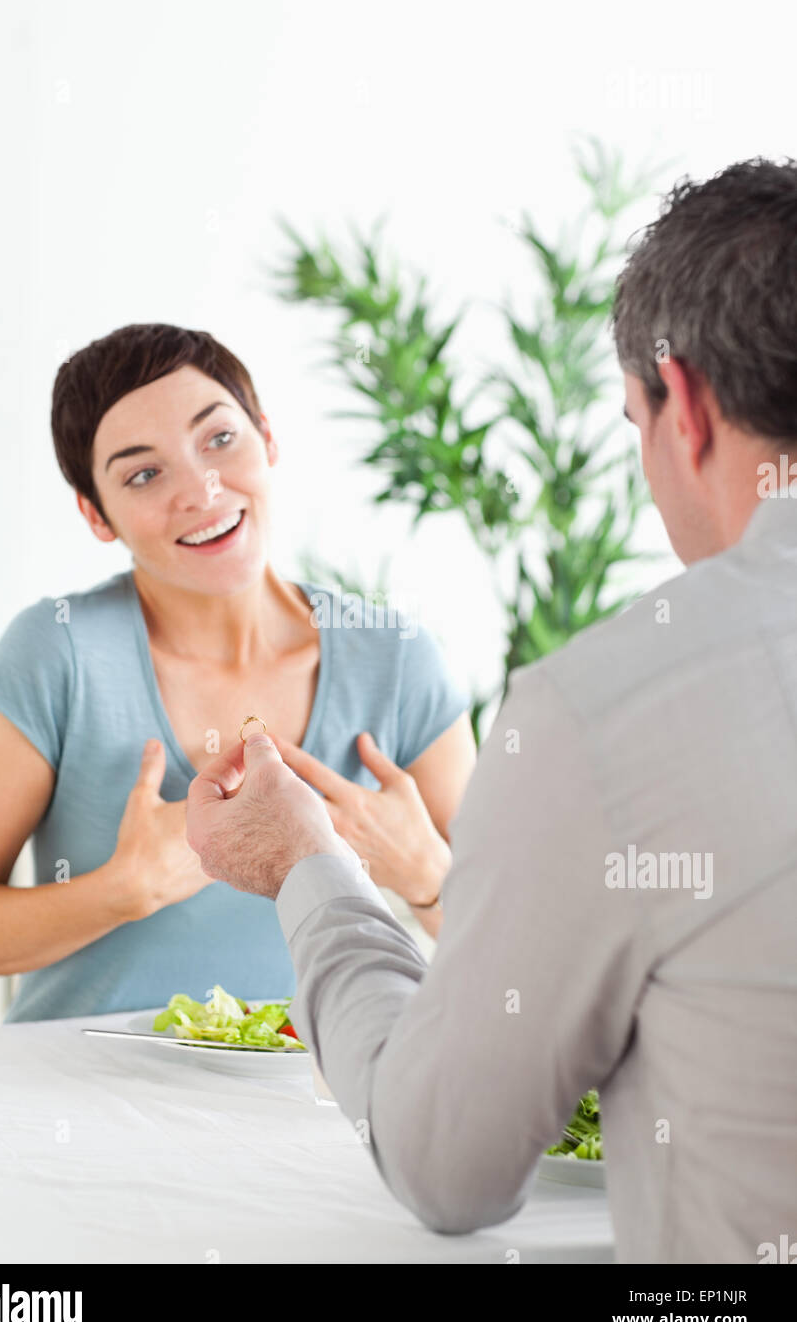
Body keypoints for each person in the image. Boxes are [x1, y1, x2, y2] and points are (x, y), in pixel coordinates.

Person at [185, 158, 797, 1264]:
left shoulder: (608, 707)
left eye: (632, 421)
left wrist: (306, 865)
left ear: (686, 404)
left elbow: (446, 1161)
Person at [0, 325, 475, 1019]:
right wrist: (124, 891)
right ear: (97, 515)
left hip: (315, 1108)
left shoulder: (397, 661)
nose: (202, 489)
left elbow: (517, 948)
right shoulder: (56, 652)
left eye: (219, 440)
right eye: (144, 474)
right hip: (81, 1105)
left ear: (268, 438)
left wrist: (426, 879)